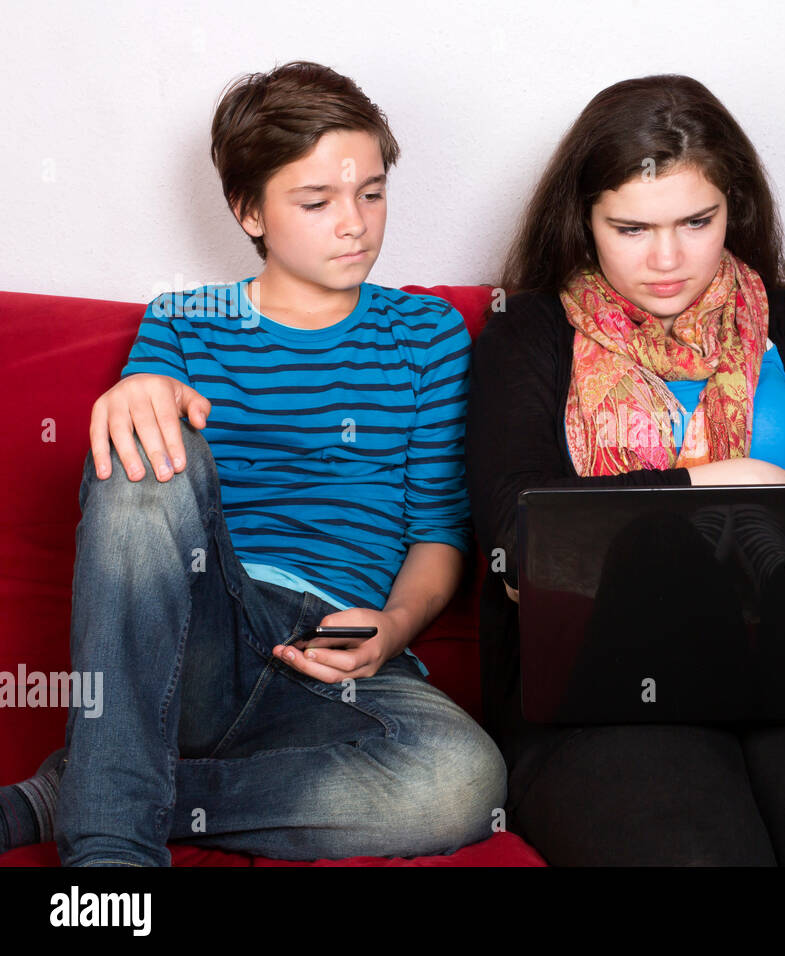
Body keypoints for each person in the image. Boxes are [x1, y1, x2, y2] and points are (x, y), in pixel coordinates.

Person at [465, 74, 785, 865]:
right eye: (632, 228)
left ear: (732, 207)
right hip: (606, 694)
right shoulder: (527, 331)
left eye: (696, 222)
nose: (667, 259)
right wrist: (728, 480)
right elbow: (517, 535)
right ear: (585, 221)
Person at [0, 61, 505, 865]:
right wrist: (141, 388)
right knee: (142, 446)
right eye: (317, 202)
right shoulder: (187, 321)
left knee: (462, 783)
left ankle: (90, 789)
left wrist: (394, 629)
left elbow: (439, 528)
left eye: (372, 193)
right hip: (198, 637)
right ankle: (110, 855)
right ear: (249, 211)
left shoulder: (429, 335)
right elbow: (143, 502)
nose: (355, 224)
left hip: (334, 664)